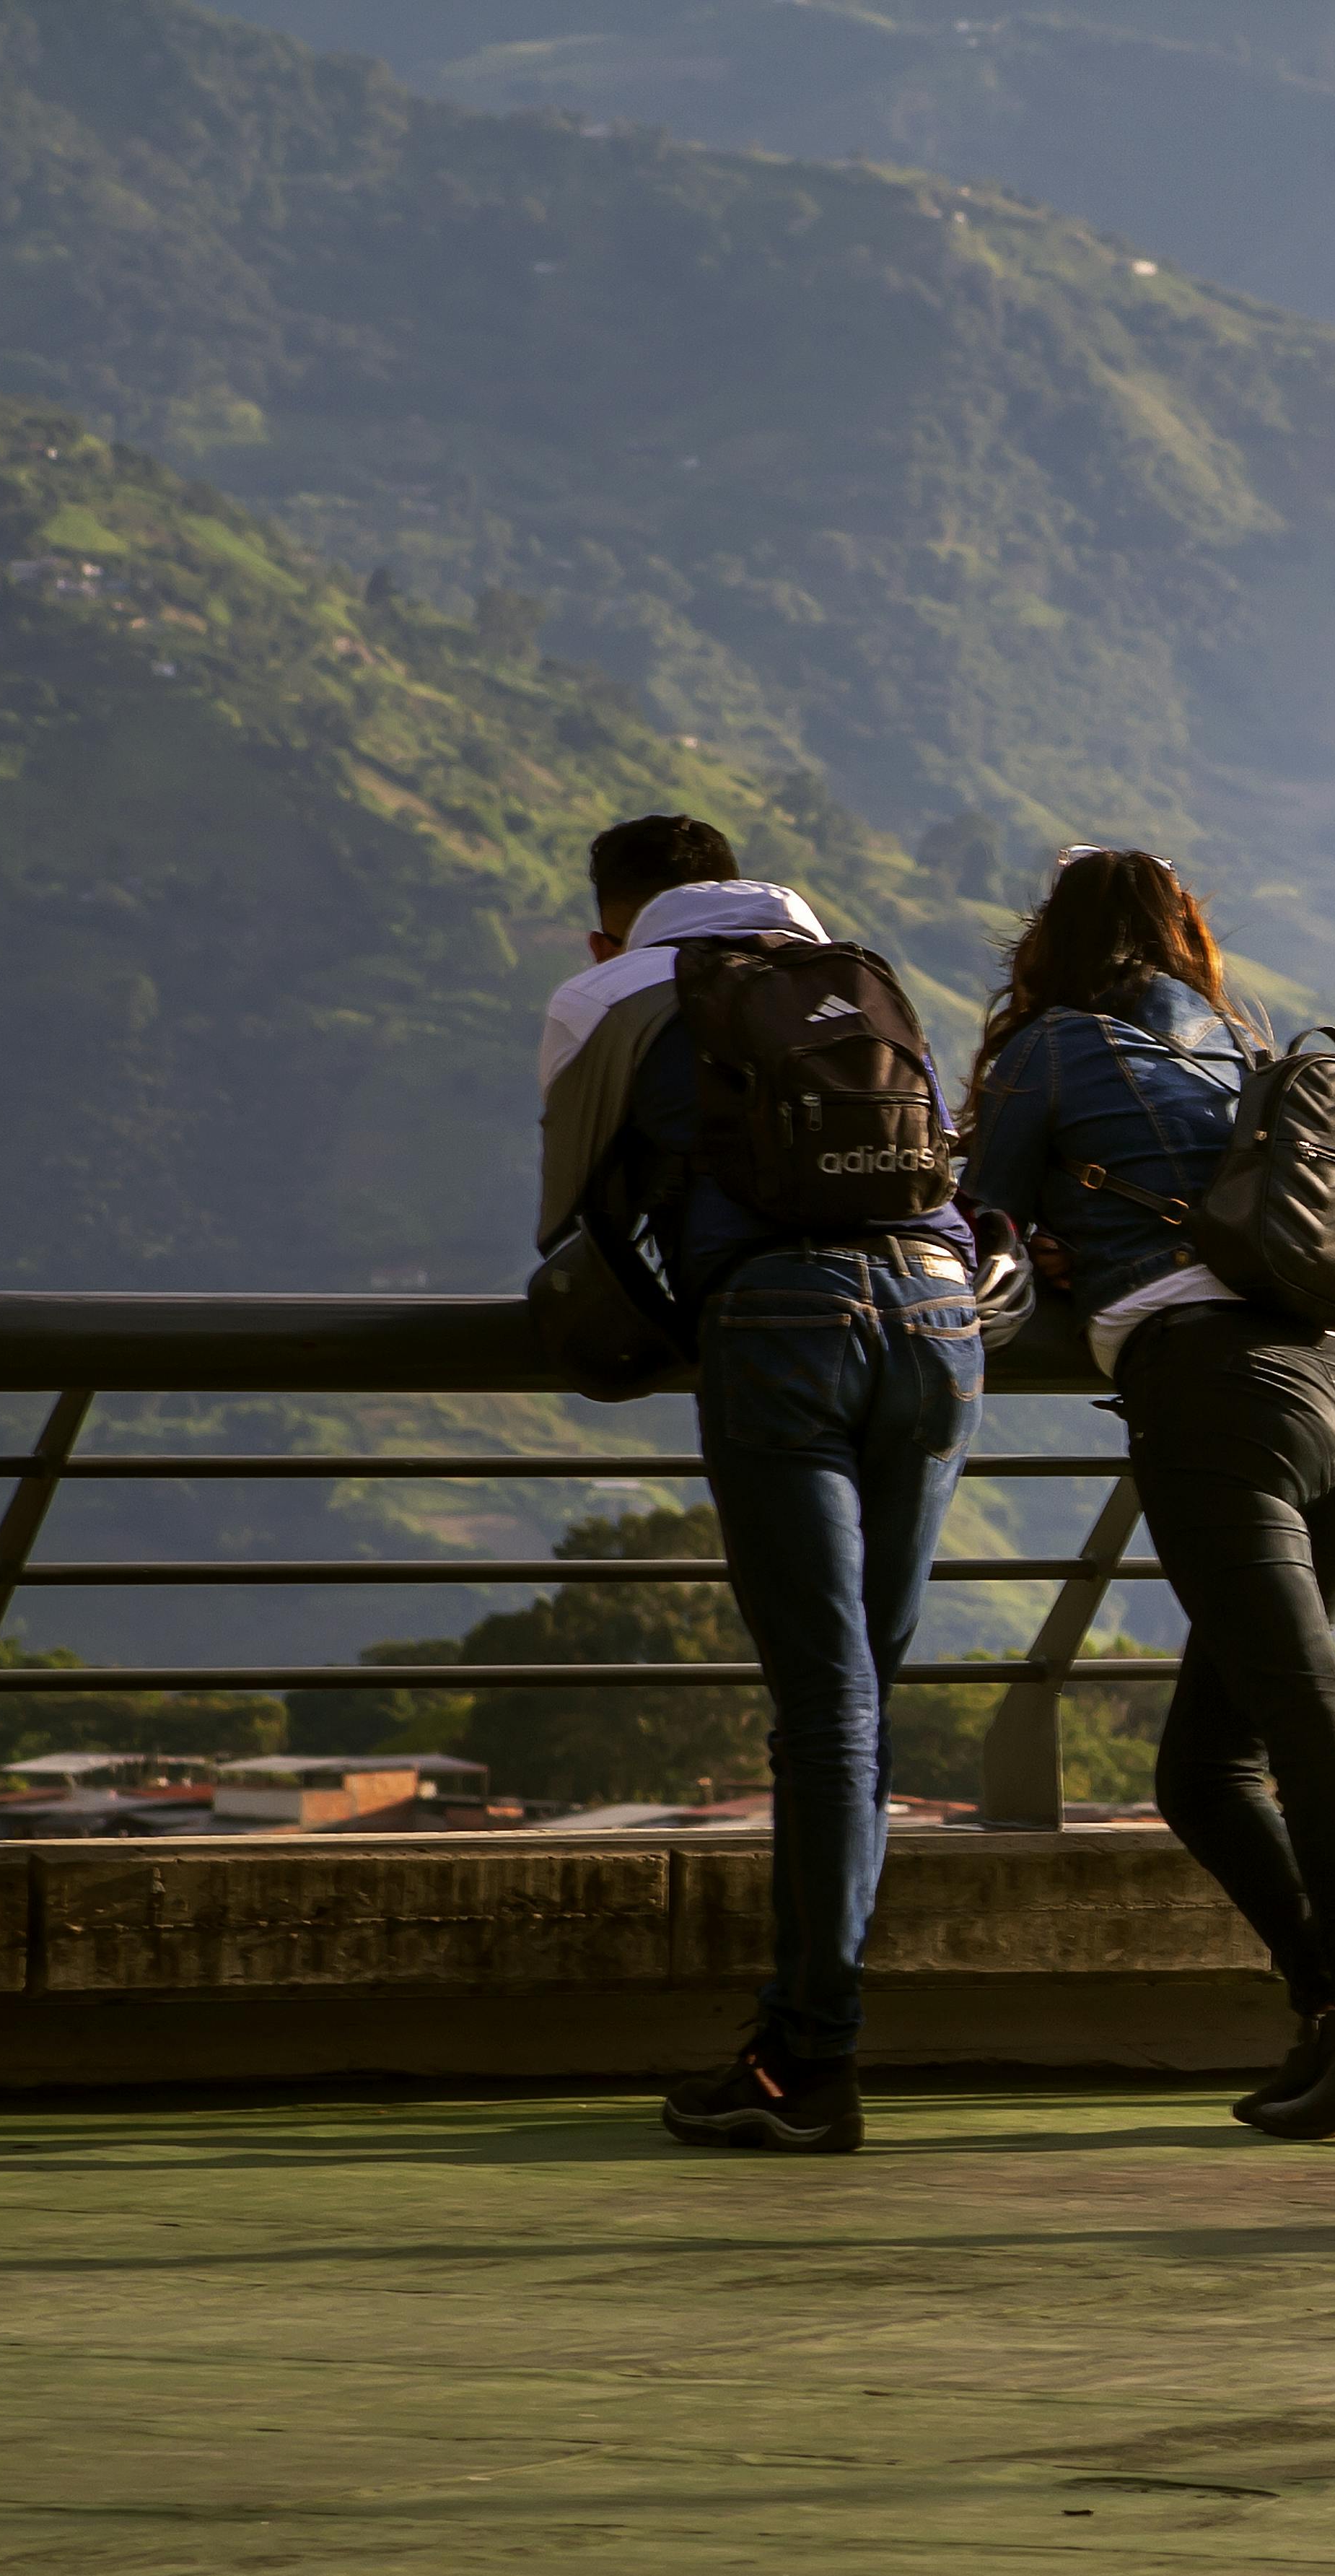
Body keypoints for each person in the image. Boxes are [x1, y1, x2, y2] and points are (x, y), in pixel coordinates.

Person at [955, 847, 1335, 2144]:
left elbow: (975, 1231)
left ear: (1049, 941)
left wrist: (1049, 1252)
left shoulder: (1051, 1051)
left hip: (1216, 1404)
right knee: (1207, 1769)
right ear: (1185, 937)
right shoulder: (1243, 1050)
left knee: (1306, 1729)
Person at [538, 814, 983, 2154]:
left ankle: (807, 2059)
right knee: (866, 1699)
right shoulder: (859, 975)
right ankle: (809, 2040)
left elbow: (568, 1218)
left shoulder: (607, 996)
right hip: (942, 1319)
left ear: (609, 928)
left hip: (783, 1325)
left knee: (825, 1707)